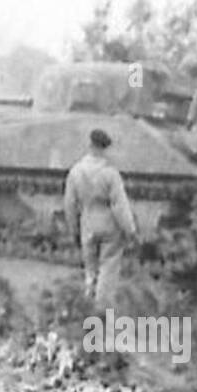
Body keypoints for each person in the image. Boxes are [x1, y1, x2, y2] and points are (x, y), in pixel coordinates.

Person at [63, 128, 138, 305]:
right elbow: (119, 206)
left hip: (87, 223)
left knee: (90, 268)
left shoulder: (76, 172)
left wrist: (73, 229)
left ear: (89, 145)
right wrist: (131, 230)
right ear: (104, 149)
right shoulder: (110, 173)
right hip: (109, 224)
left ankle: (87, 302)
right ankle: (101, 311)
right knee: (108, 268)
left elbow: (70, 204)